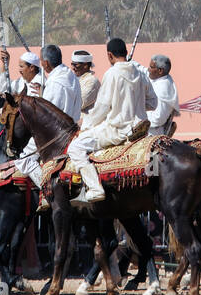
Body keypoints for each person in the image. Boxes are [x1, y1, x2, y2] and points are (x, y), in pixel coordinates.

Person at [66, 38, 157, 204]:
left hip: (117, 130)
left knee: (75, 147)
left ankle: (94, 188)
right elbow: (153, 103)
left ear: (109, 55)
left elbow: (102, 108)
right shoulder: (140, 72)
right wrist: (133, 101)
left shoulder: (111, 73)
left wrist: (85, 127)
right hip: (139, 128)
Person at [25, 45, 82, 207]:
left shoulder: (56, 82)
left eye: (42, 62)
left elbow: (47, 118)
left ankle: (45, 191)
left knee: (24, 158)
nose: (41, 65)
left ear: (47, 64)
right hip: (71, 133)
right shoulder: (70, 76)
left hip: (56, 138)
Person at [142, 55, 179, 137]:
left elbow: (157, 119)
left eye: (151, 67)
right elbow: (143, 70)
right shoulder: (161, 78)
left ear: (160, 71)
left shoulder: (164, 88)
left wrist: (137, 115)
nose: (148, 69)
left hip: (151, 134)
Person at [70, 50, 101, 115]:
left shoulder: (92, 82)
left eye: (76, 65)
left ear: (85, 66)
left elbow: (79, 104)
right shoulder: (75, 79)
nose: (73, 68)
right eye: (72, 64)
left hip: (87, 122)